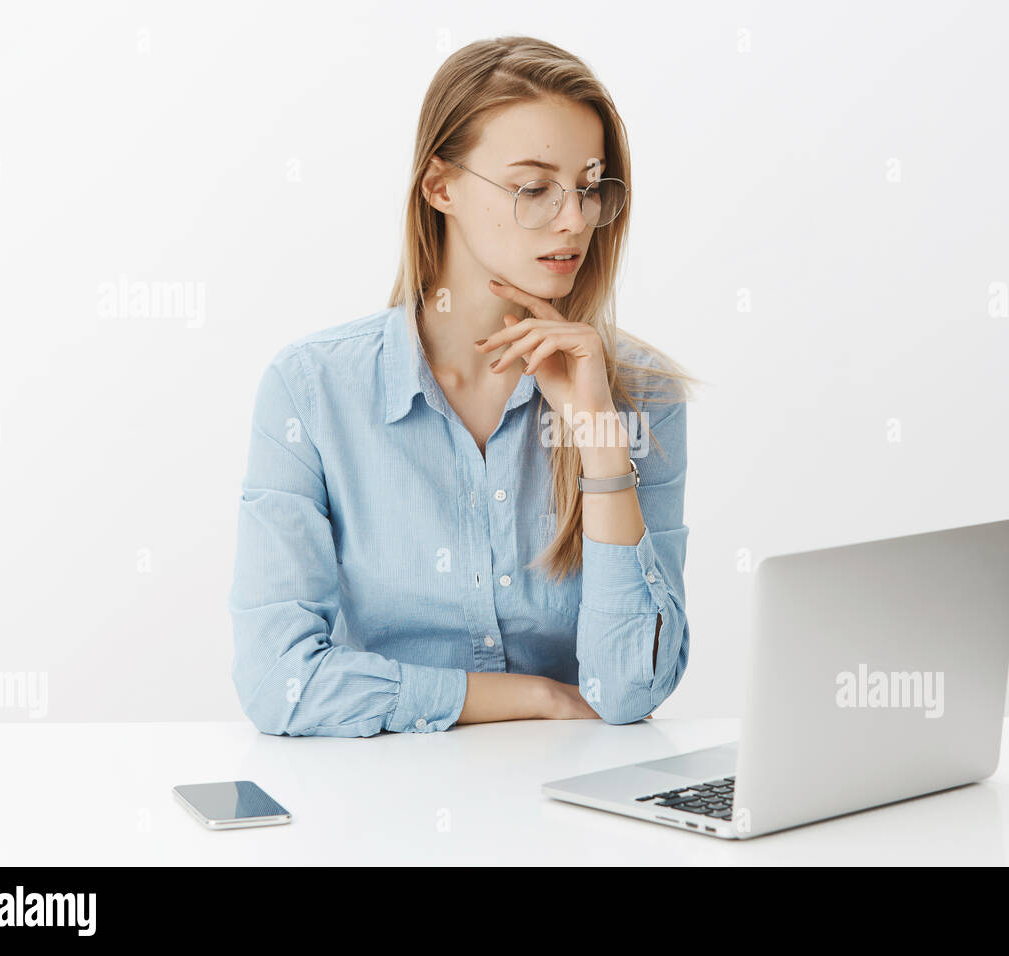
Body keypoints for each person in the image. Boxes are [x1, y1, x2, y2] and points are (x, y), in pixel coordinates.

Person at [228, 35, 697, 736]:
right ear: (440, 186)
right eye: (533, 188)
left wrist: (601, 445)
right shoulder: (312, 390)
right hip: (385, 810)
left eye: (589, 186)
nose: (574, 219)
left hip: (570, 814)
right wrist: (527, 697)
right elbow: (279, 682)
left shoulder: (639, 394)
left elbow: (627, 690)